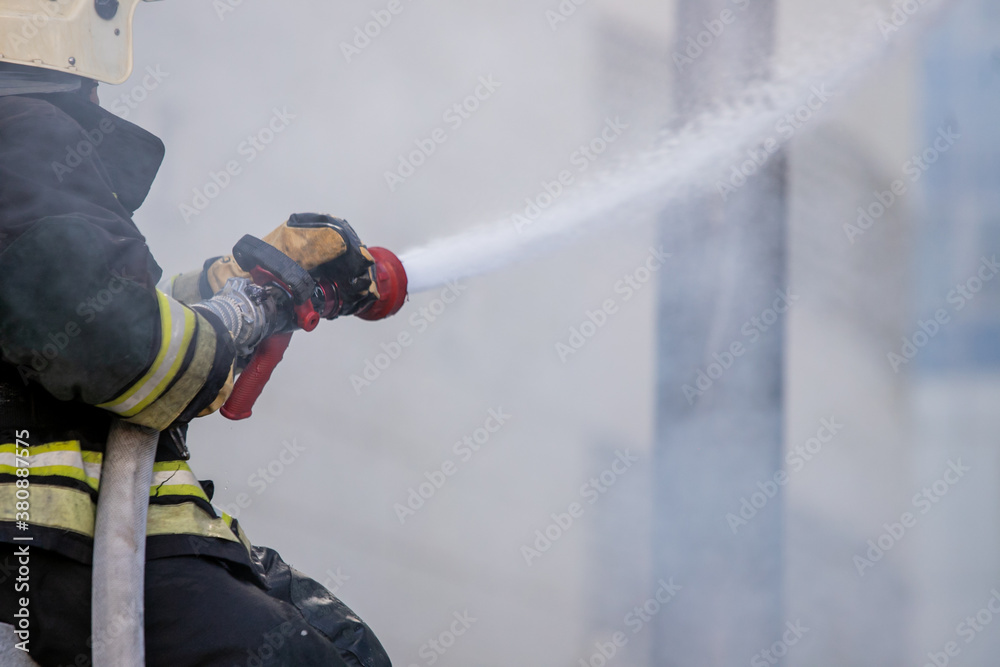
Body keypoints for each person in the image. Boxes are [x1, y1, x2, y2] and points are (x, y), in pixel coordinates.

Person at [0, 1, 392, 665]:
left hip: (80, 547)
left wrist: (235, 282)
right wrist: (241, 307)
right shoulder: (23, 133)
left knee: (345, 646)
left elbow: (91, 309)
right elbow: (116, 348)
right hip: (46, 550)